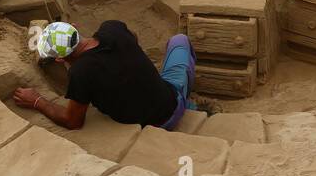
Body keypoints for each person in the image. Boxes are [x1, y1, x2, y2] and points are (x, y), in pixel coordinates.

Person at [13, 21, 195, 131]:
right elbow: (133, 36)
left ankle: (187, 102)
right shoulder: (112, 28)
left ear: (60, 59)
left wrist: (37, 101)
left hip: (156, 123)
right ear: (74, 27)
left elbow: (73, 121)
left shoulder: (80, 73)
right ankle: (189, 99)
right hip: (169, 100)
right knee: (179, 40)